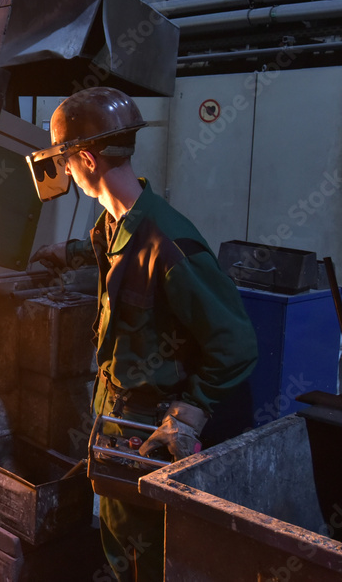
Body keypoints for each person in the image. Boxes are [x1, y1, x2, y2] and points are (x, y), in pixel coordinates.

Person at [26, 87, 257, 581]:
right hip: (114, 417)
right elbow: (117, 254)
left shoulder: (169, 243)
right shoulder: (115, 225)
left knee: (145, 556)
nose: (65, 171)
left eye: (67, 160)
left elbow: (235, 343)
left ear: (86, 158)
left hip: (149, 431)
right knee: (118, 541)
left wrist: (192, 410)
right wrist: (69, 252)